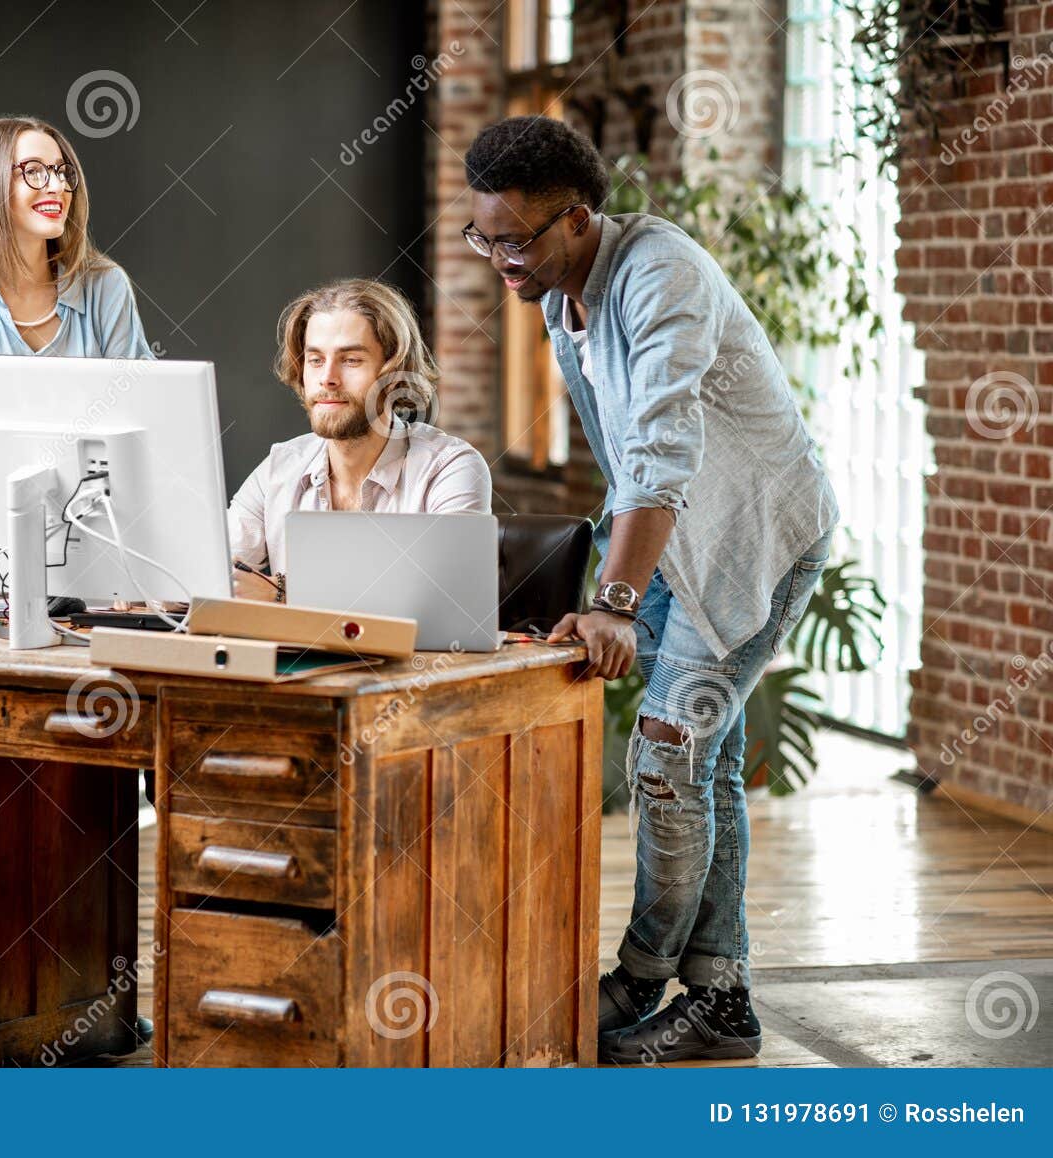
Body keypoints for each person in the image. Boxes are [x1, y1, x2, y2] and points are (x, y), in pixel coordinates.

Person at [463, 115, 838, 1064]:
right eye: (484, 238)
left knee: (667, 755)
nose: (499, 260)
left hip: (755, 542)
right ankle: (721, 999)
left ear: (577, 218)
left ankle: (641, 974)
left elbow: (662, 447)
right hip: (676, 545)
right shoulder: (562, 297)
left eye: (514, 240)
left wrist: (615, 603)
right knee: (703, 763)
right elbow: (623, 458)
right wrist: (622, 578)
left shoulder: (660, 275)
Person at [0, 115, 154, 602]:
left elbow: (145, 427)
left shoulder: (105, 287)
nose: (57, 186)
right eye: (34, 172)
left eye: (62, 172)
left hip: (106, 551)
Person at [228, 277, 491, 601]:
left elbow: (449, 597)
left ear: (395, 372)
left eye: (351, 360)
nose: (327, 378)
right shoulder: (279, 468)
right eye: (315, 360)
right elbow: (211, 574)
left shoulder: (449, 468)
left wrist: (283, 593)